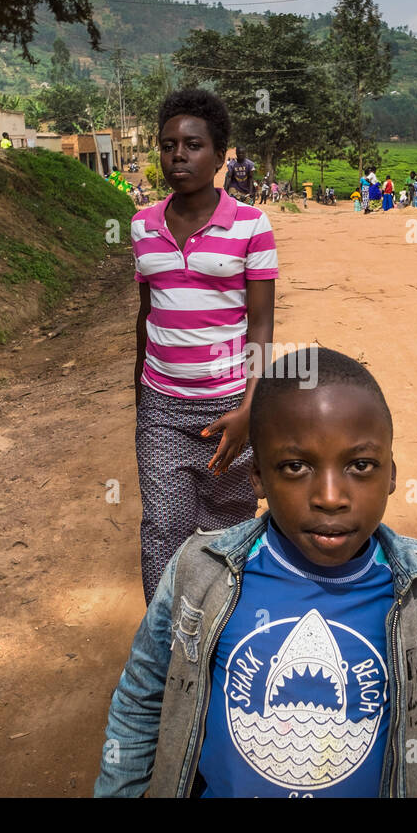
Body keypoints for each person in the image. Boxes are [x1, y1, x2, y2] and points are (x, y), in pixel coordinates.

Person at [94, 346, 417, 797]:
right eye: (296, 467)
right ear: (257, 477)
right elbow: (141, 702)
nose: (330, 496)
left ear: (391, 473)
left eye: (360, 466)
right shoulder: (200, 572)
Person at [130, 89, 277, 604]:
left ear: (220, 155)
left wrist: (249, 409)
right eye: (168, 144)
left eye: (193, 145)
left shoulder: (252, 227)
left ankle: (220, 637)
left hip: (230, 409)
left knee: (226, 531)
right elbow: (148, 316)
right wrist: (142, 400)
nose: (178, 155)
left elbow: (261, 326)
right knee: (162, 531)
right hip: (162, 408)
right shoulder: (142, 227)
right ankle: (165, 648)